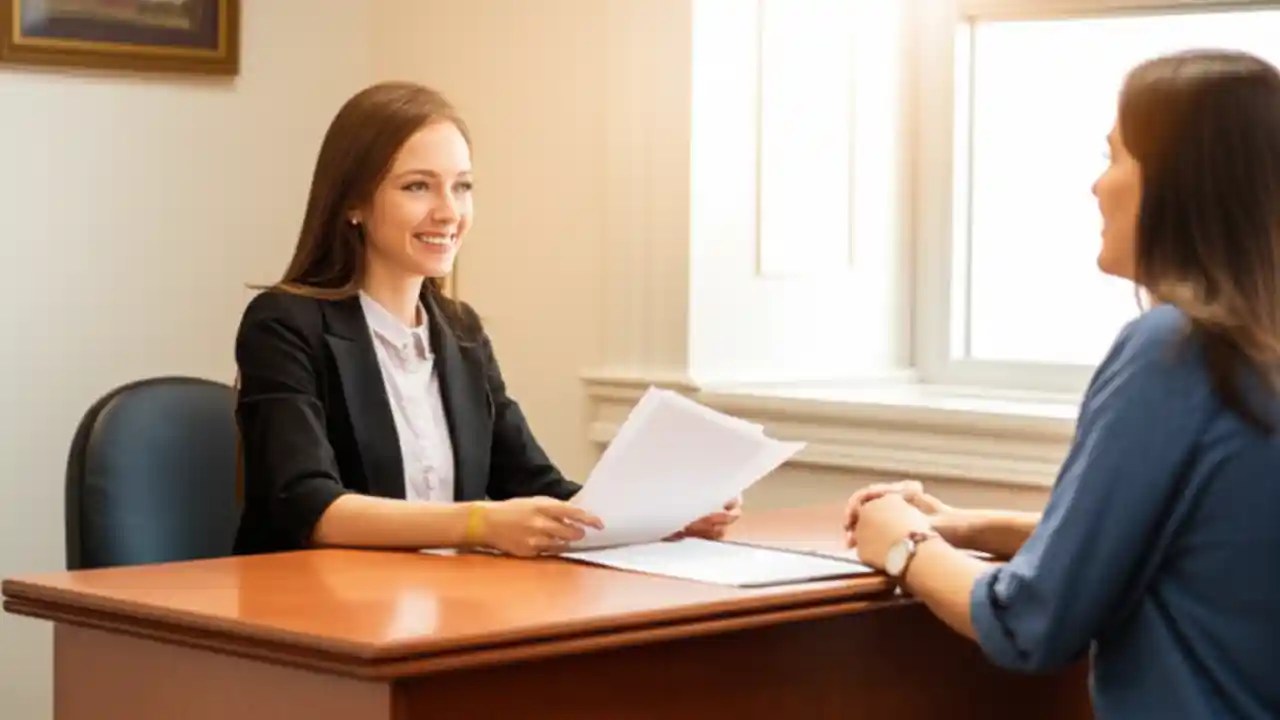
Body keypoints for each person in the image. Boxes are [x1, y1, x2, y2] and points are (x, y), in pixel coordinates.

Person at [845, 50, 1280, 719]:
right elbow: (1202, 551)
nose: (1098, 186)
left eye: (1115, 156)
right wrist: (972, 526)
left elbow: (1031, 623)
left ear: (1175, 182)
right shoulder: (1258, 352)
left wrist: (902, 543)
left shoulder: (1175, 351)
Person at [233, 82, 740, 558]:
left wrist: (664, 516)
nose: (449, 211)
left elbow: (532, 484)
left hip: (445, 607)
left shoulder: (461, 332)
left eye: (462, 186)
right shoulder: (283, 324)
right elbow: (307, 505)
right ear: (353, 203)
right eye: (418, 187)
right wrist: (480, 523)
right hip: (319, 612)